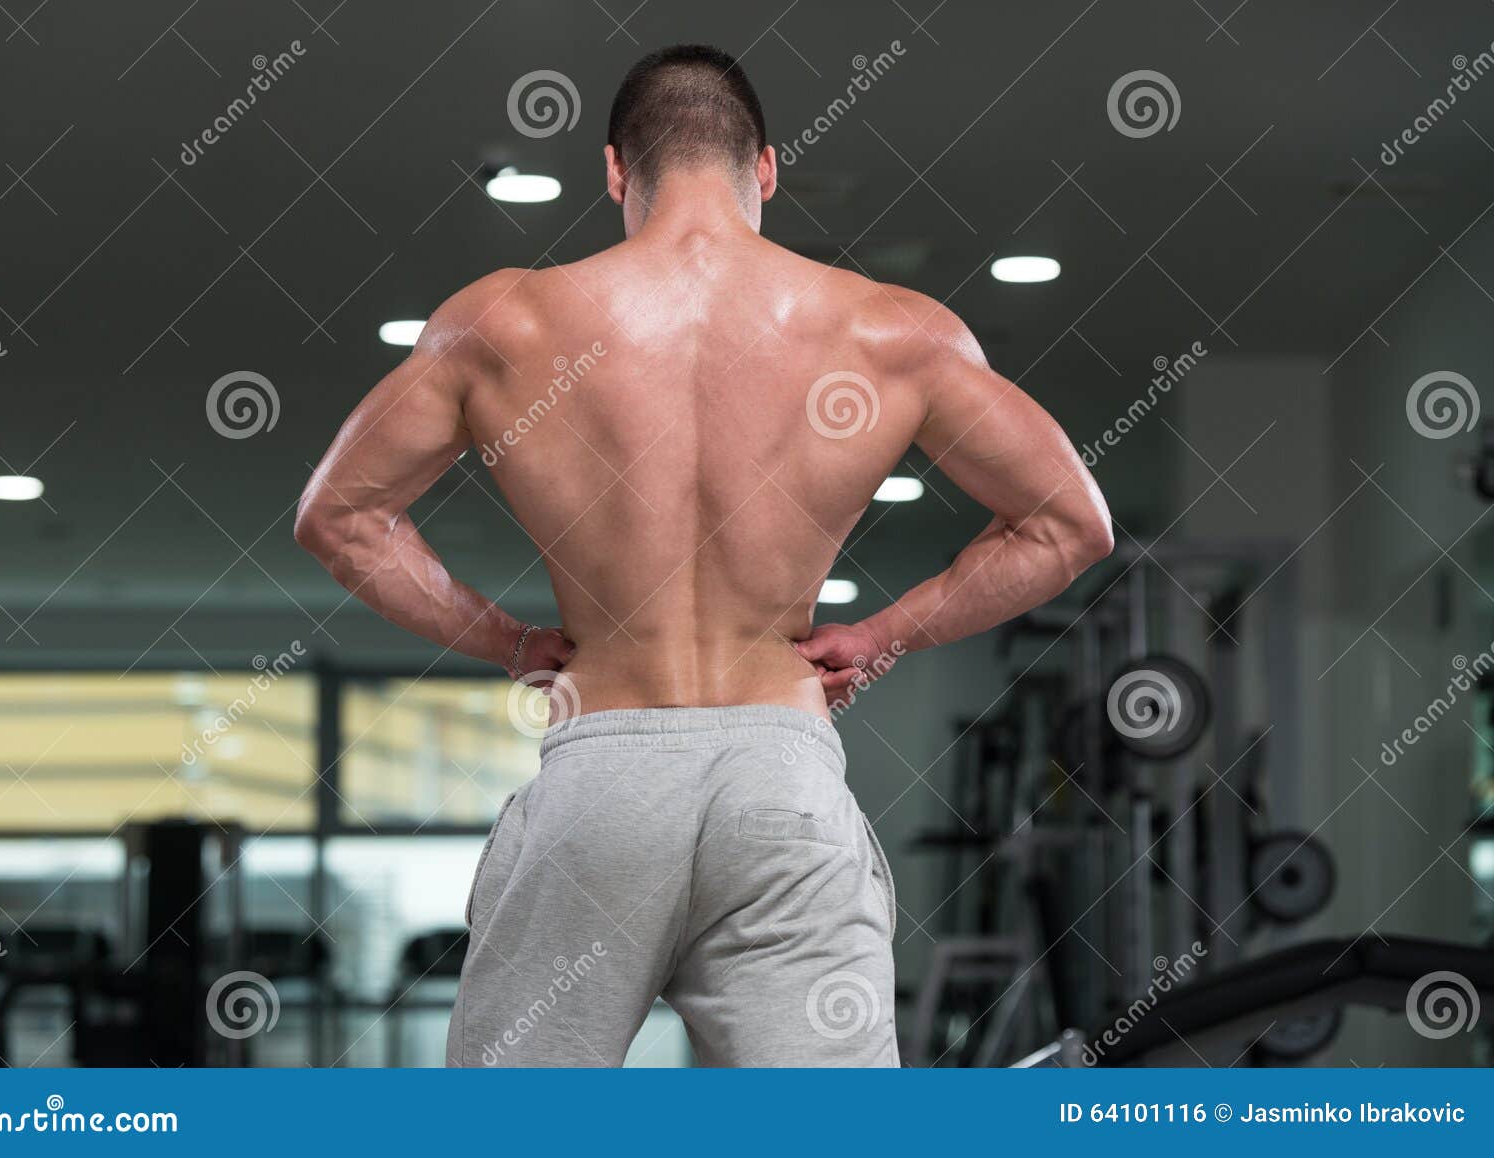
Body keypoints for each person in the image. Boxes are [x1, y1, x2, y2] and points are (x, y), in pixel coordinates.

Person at [294, 44, 1112, 1067]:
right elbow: (1067, 523)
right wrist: (882, 634)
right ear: (765, 168)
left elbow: (340, 516)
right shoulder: (889, 330)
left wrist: (507, 643)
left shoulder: (506, 320)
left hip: (604, 769)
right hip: (782, 777)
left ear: (612, 171)